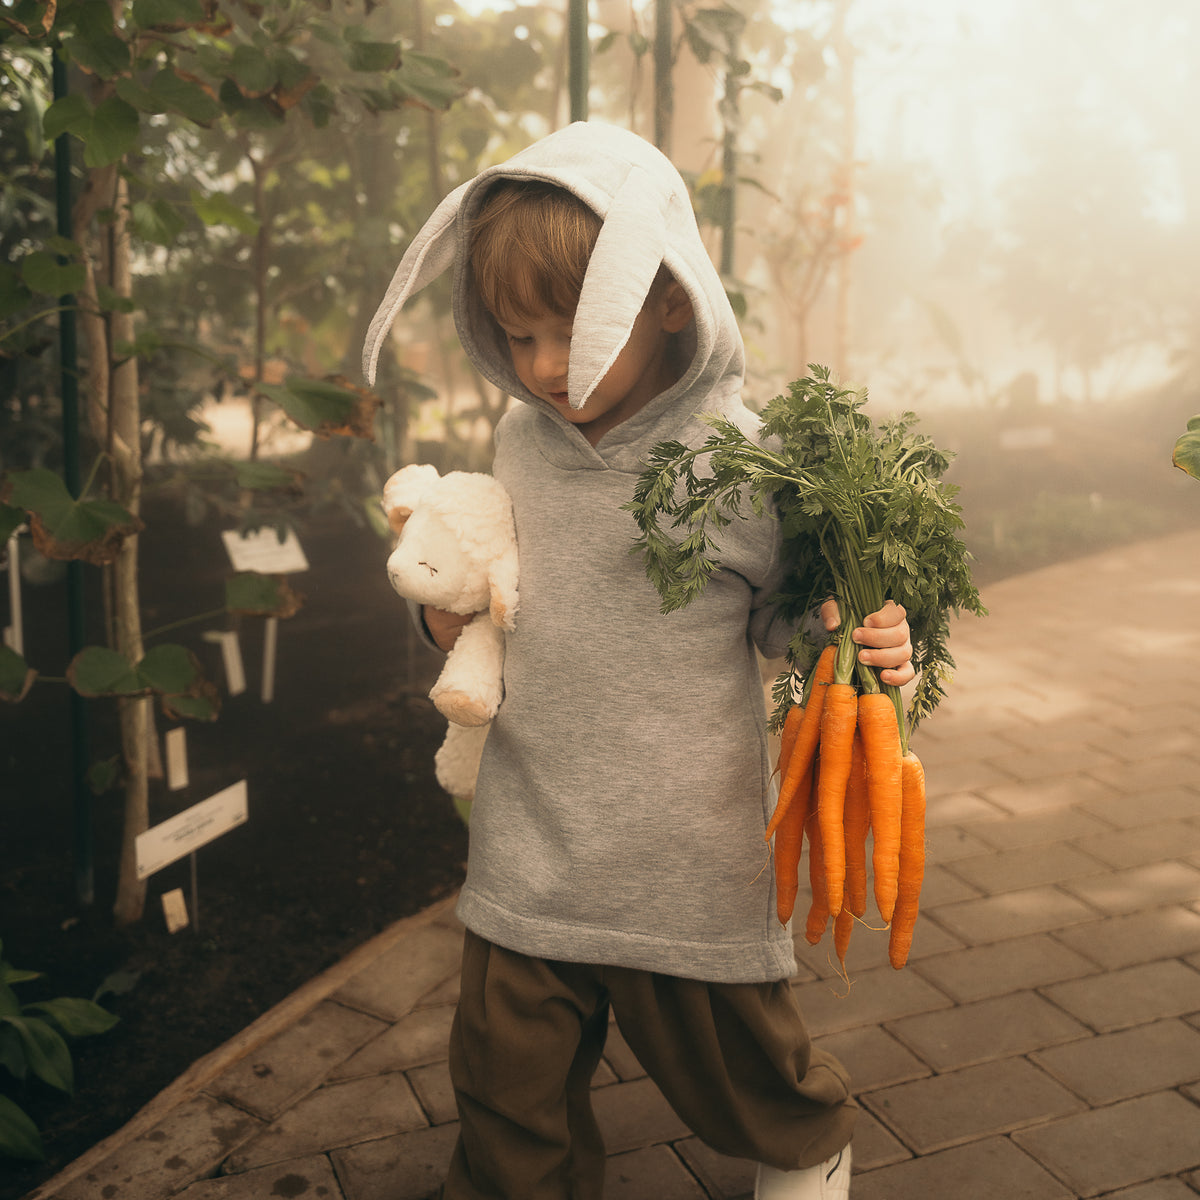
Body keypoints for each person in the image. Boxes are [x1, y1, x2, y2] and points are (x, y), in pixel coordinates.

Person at [362, 122, 915, 1200]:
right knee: (505, 1108)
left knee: (751, 1087)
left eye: (572, 332)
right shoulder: (523, 440)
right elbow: (493, 581)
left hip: (682, 862)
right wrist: (437, 621)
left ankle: (811, 1150)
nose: (542, 369)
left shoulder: (740, 467)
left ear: (668, 296)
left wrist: (863, 648)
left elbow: (798, 646)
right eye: (515, 339)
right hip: (528, 847)